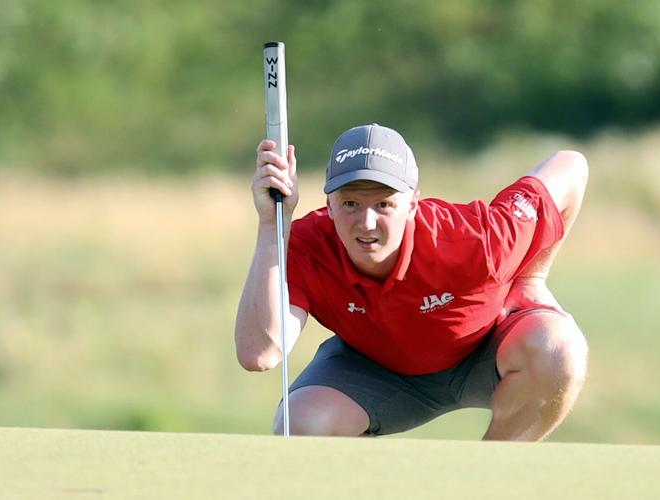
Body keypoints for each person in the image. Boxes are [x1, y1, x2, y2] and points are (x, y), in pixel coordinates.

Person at [235, 123, 588, 440]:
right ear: (329, 204)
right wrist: (271, 224)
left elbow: (572, 166)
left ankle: (489, 476)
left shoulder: (479, 239)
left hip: (485, 352)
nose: (367, 223)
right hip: (376, 367)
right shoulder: (306, 245)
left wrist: (532, 277)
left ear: (413, 204)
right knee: (299, 424)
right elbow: (260, 353)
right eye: (351, 203)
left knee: (559, 351)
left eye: (384, 204)